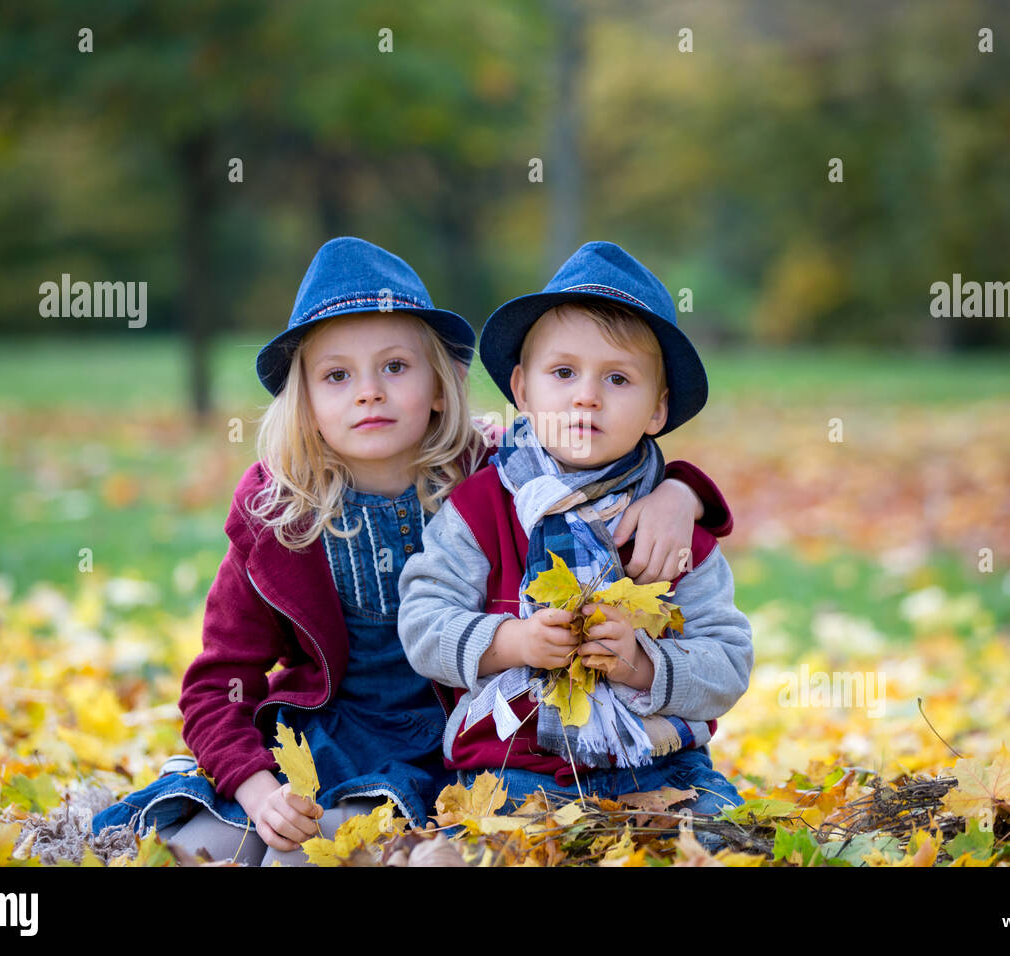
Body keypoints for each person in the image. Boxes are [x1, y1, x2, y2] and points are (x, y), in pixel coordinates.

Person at [90, 237, 733, 865]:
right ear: (305, 400)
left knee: (330, 851)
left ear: (440, 382)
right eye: (337, 375)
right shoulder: (278, 517)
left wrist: (682, 492)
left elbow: (585, 458)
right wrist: (258, 790)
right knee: (203, 848)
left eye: (395, 367)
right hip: (325, 735)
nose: (369, 391)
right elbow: (219, 682)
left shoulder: (489, 474)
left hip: (444, 744)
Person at [398, 241, 754, 849]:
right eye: (563, 373)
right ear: (522, 388)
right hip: (513, 766)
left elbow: (728, 661)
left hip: (661, 767)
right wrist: (513, 641)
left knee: (726, 839)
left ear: (657, 409)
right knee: (489, 850)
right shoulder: (484, 506)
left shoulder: (673, 533)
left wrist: (644, 665)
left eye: (617, 378)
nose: (586, 395)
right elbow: (423, 620)